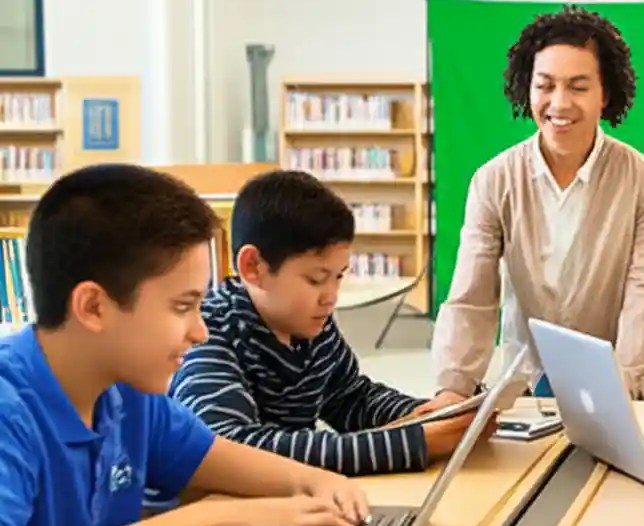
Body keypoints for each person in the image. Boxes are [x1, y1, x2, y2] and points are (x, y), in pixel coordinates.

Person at [0, 164, 369, 526]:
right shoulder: (10, 407)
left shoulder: (128, 393)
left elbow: (237, 465)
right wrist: (207, 520)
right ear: (94, 306)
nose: (201, 332)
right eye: (182, 307)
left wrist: (321, 483)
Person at [426, 4, 644, 409]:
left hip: (623, 380)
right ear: (527, 88)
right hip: (531, 379)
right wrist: (453, 387)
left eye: (578, 87)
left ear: (605, 94)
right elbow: (470, 296)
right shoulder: (494, 180)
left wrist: (622, 385)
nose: (559, 104)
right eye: (545, 85)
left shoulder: (640, 177)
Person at [170, 170, 478, 476]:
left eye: (339, 276)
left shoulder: (311, 325)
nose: (330, 296)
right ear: (253, 267)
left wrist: (433, 414)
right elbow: (232, 451)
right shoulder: (208, 331)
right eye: (316, 279)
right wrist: (412, 444)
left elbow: (350, 397)